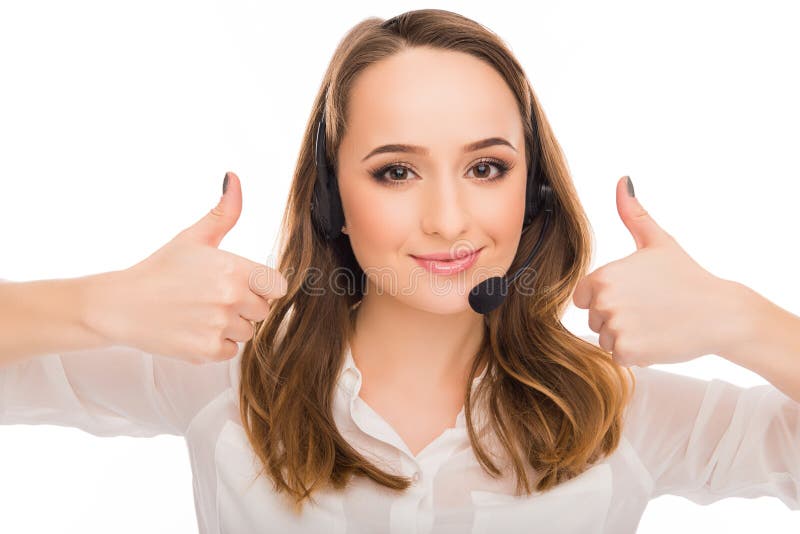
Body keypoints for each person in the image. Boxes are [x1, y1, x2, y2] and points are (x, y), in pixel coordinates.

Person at [1, 9, 799, 533]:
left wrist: (741, 320)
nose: (448, 219)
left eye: (486, 167)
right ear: (331, 200)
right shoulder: (228, 382)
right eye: (396, 171)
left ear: (534, 191)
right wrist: (100, 304)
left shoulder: (618, 411)